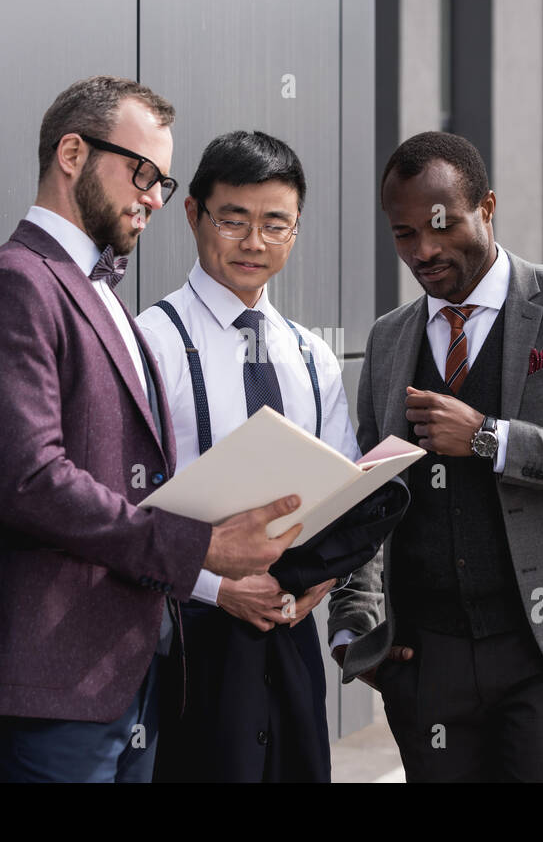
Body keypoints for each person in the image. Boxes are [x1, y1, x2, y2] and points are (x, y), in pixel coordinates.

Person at [0, 76, 303, 783]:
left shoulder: (102, 294)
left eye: (163, 179)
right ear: (71, 153)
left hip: (128, 676)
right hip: (49, 682)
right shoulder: (10, 286)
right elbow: (30, 482)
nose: (153, 196)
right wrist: (206, 546)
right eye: (140, 172)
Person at [329, 131, 543, 782]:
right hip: (425, 662)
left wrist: (493, 437)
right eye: (404, 234)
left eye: (441, 224)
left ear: (486, 207)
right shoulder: (387, 339)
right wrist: (354, 626)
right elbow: (367, 498)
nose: (423, 251)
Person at [138, 130, 407, 782]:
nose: (253, 241)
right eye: (233, 219)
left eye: (274, 224)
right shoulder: (148, 344)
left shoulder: (311, 355)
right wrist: (219, 586)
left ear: (295, 231)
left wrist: (316, 580)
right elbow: (121, 513)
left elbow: (341, 485)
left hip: (291, 632)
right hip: (185, 634)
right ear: (193, 213)